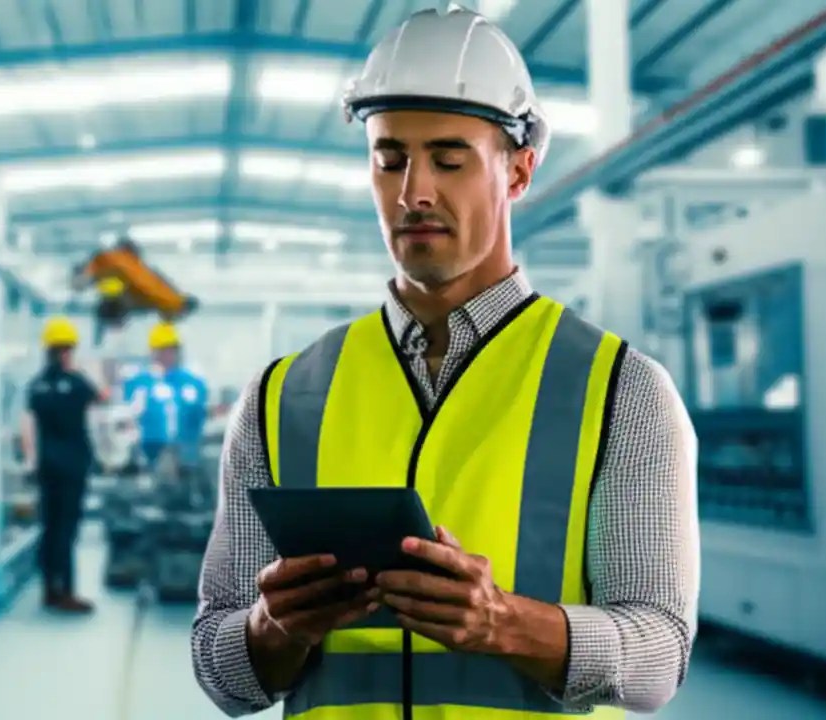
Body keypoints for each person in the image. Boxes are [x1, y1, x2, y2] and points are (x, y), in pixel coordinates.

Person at [191, 6, 699, 719]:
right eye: (389, 159)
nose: (414, 192)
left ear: (518, 171)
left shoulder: (621, 389)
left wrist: (503, 623)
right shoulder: (281, 396)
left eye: (449, 159)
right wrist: (273, 628)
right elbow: (220, 670)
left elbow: (659, 658)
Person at [21, 315, 107, 613]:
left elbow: (28, 426)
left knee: (49, 526)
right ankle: (67, 592)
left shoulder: (36, 385)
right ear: (68, 350)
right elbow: (103, 396)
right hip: (73, 466)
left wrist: (31, 461)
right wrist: (86, 369)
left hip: (47, 466)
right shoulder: (76, 382)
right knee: (67, 530)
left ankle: (49, 590)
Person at [123, 321, 209, 469]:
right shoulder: (140, 383)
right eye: (163, 350)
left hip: (187, 448)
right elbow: (130, 417)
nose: (167, 355)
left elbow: (201, 413)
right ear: (153, 352)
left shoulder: (192, 382)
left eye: (171, 350)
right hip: (151, 448)